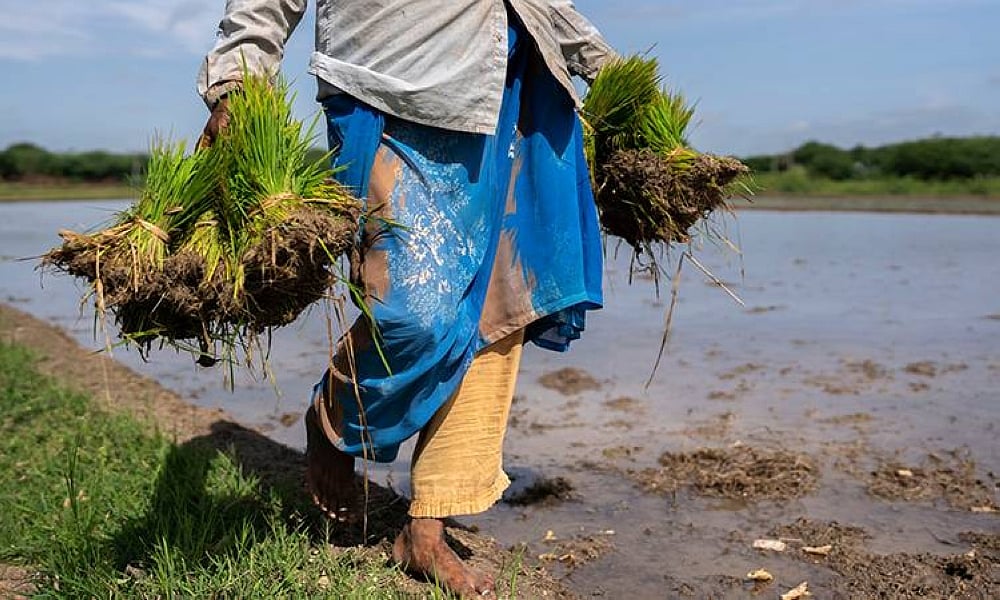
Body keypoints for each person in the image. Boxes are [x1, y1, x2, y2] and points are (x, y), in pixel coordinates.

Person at [199, 1, 614, 596]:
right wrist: (236, 81)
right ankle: (336, 414)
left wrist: (609, 71)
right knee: (413, 315)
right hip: (383, 85)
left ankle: (427, 528)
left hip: (501, 91)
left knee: (496, 307)